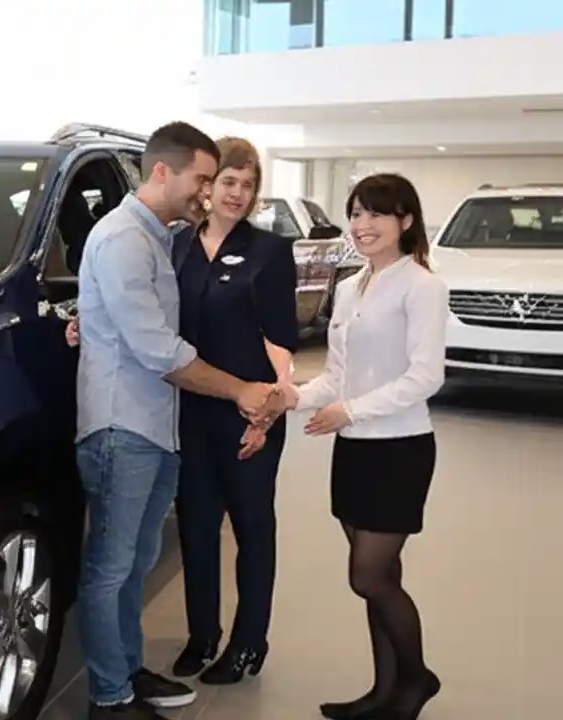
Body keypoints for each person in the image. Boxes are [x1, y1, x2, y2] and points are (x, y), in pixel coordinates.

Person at [71, 121, 283, 720]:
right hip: (123, 428)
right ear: (163, 171)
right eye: (206, 179)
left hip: (157, 428)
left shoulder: (159, 238)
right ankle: (109, 697)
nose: (211, 192)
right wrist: (240, 389)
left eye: (230, 182)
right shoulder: (125, 240)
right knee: (111, 569)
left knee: (135, 565)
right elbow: (158, 347)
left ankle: (127, 671)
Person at [278, 172, 447, 720]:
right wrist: (291, 398)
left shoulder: (421, 285)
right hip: (354, 449)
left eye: (376, 213)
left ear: (405, 220)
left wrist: (349, 411)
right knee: (382, 579)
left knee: (367, 575)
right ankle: (384, 691)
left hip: (399, 448)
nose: (362, 225)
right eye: (355, 213)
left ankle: (417, 679)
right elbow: (337, 376)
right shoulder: (351, 287)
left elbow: (425, 377)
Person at [168, 137, 299, 685]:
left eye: (248, 185)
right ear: (208, 186)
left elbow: (282, 340)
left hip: (250, 413)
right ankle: (202, 636)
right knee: (197, 529)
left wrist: (269, 412)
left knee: (252, 527)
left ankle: (249, 643)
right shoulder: (176, 246)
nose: (237, 194)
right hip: (190, 410)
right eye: (228, 181)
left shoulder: (270, 252)